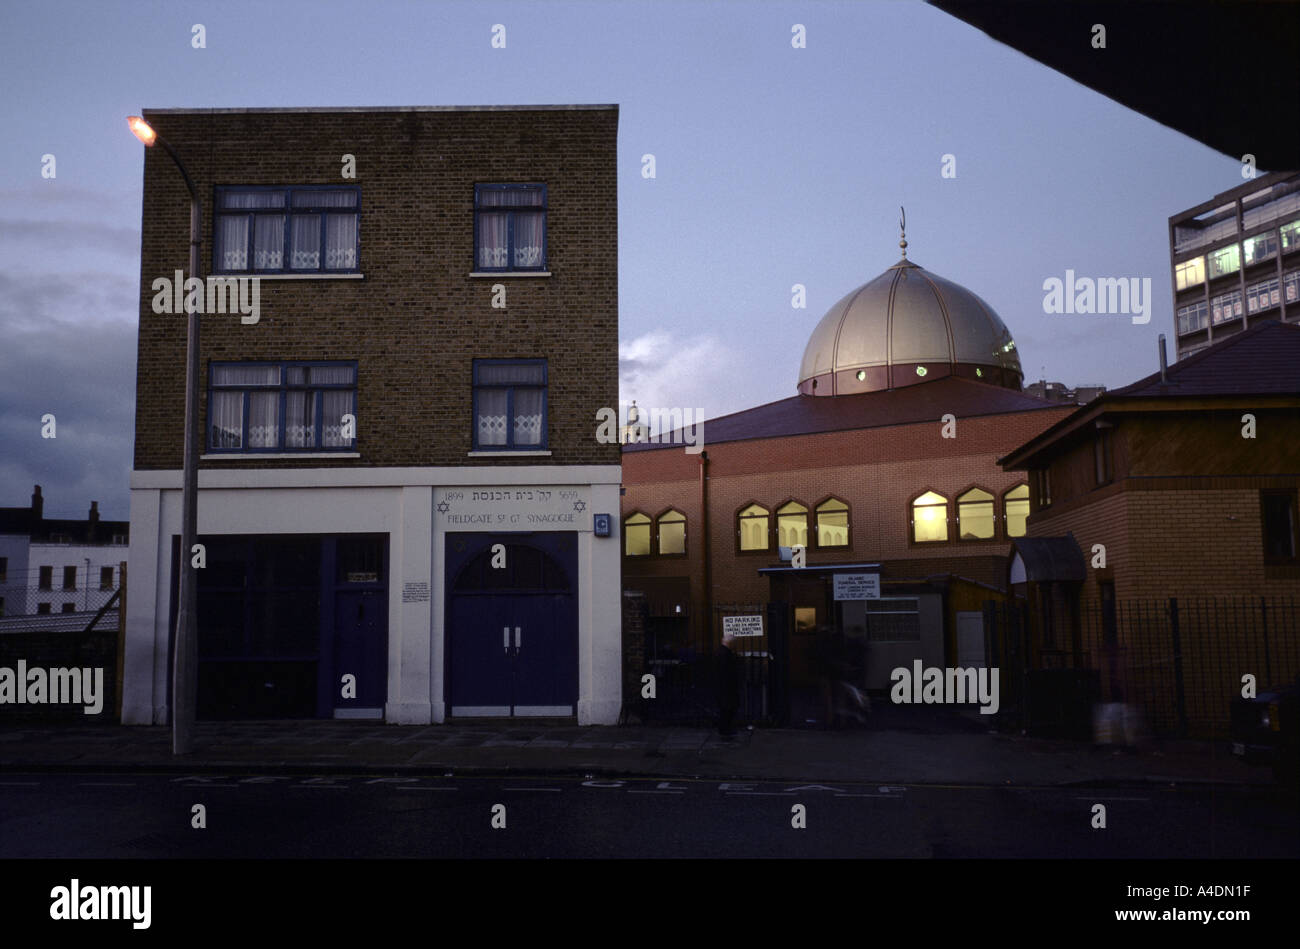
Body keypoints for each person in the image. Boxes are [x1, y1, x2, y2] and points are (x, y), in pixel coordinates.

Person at [716, 633, 741, 738]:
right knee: (728, 708)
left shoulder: (721, 652)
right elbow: (729, 671)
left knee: (725, 708)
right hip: (727, 686)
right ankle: (726, 730)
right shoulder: (726, 654)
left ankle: (725, 729)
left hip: (723, 686)